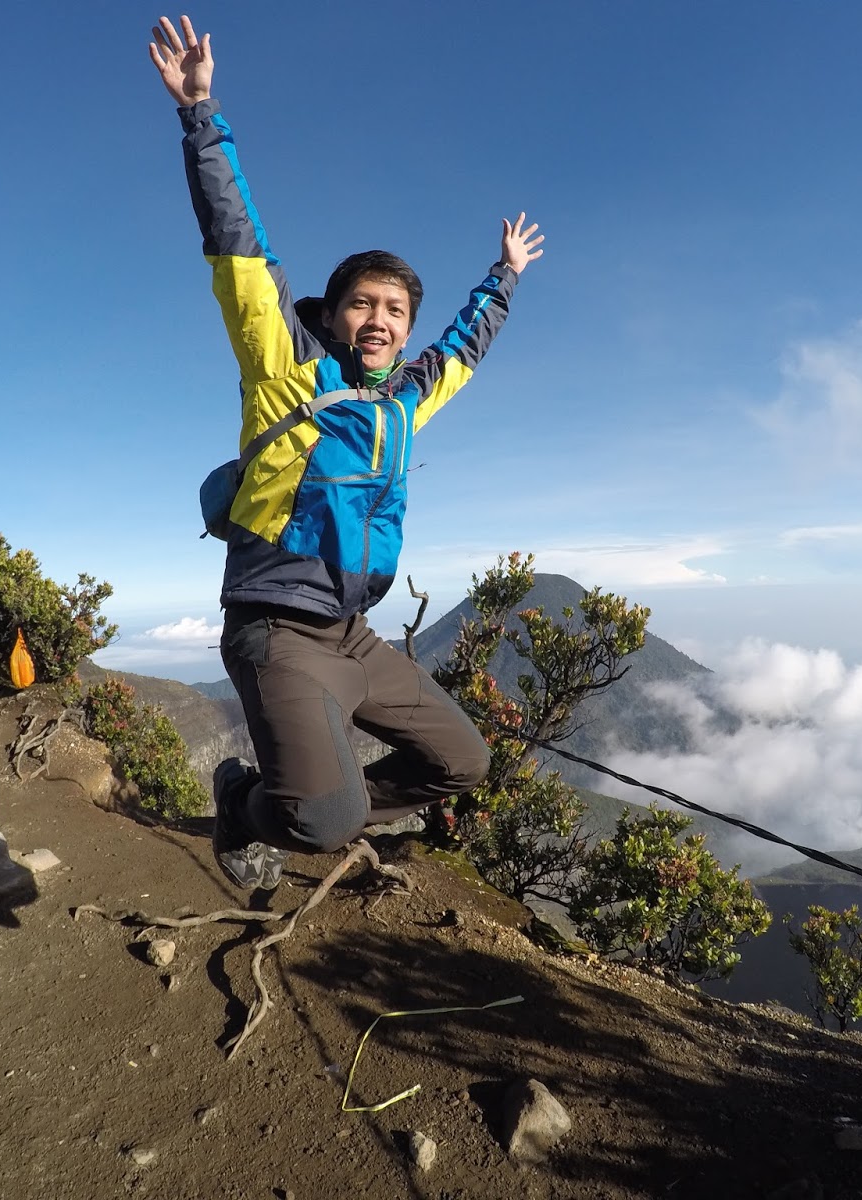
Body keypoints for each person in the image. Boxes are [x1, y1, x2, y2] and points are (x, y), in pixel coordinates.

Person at [149, 16, 545, 889]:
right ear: (332, 315)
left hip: (353, 634)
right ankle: (255, 807)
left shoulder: (405, 400)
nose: (380, 320)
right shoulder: (286, 364)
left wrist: (505, 273)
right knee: (323, 820)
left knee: (463, 764)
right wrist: (200, 116)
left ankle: (317, 807)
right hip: (276, 630)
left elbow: (466, 347)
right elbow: (237, 243)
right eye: (363, 304)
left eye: (395, 311)